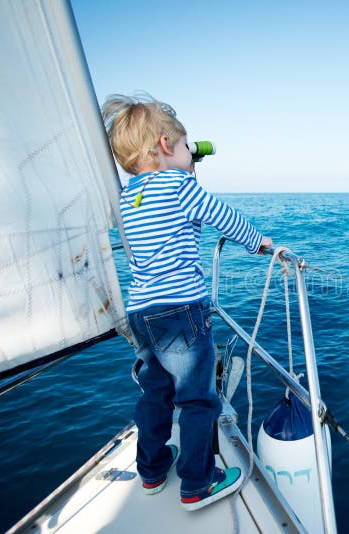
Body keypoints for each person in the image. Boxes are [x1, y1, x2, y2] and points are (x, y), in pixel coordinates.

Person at [102, 93, 273, 511]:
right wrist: (259, 243)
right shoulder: (180, 185)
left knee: (154, 393)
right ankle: (197, 482)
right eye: (184, 145)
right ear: (165, 145)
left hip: (142, 314)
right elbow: (225, 218)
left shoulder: (128, 197)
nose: (188, 153)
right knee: (198, 399)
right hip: (181, 312)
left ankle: (153, 469)